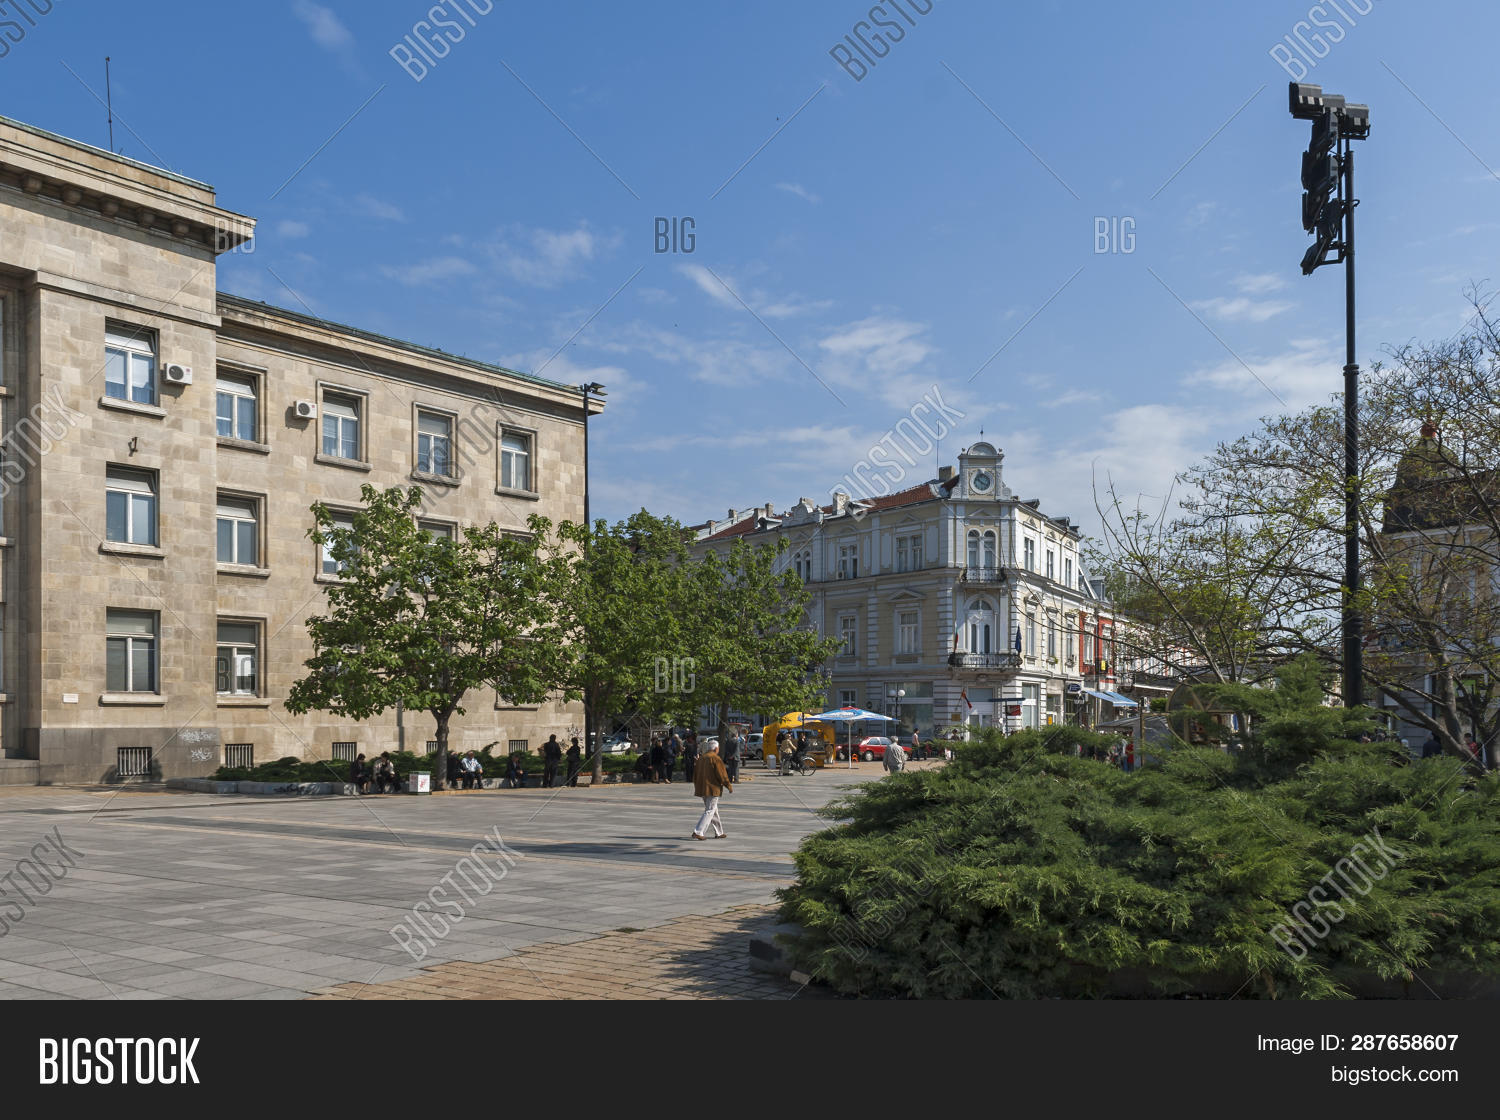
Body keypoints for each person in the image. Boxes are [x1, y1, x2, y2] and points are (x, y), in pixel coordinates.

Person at [691, 740, 731, 840]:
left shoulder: (702, 758)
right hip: (713, 788)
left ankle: (719, 832)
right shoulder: (716, 758)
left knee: (713, 810)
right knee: (710, 810)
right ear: (716, 748)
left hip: (702, 788)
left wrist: (697, 785)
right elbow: (722, 775)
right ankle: (698, 831)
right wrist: (728, 786)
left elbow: (695, 774)